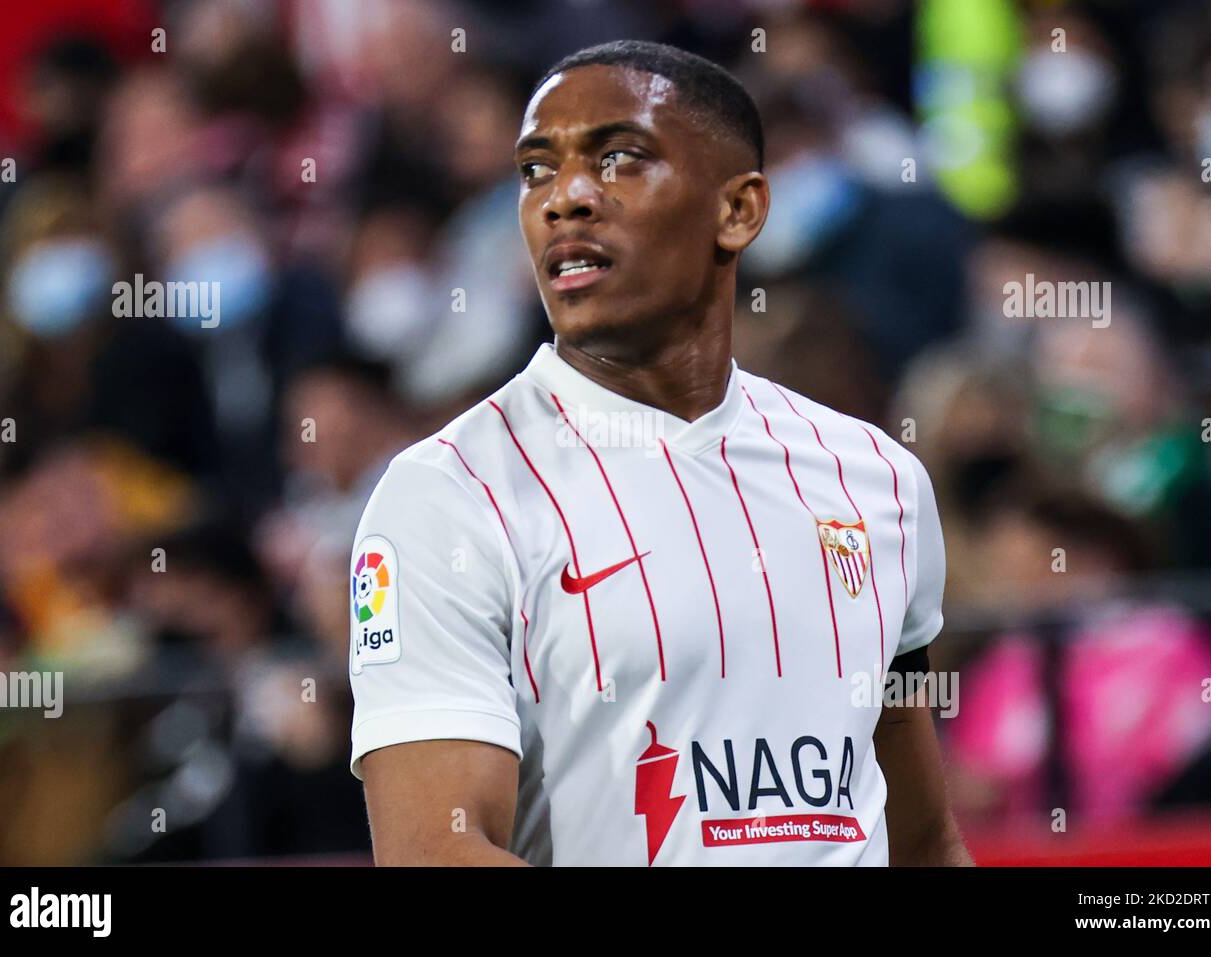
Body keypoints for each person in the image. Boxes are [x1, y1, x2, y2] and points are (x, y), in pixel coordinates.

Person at [349, 40, 971, 866]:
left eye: (617, 159)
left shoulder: (881, 481)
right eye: (537, 171)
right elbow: (436, 853)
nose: (565, 198)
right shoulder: (445, 498)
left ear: (739, 210)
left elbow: (923, 840)